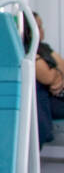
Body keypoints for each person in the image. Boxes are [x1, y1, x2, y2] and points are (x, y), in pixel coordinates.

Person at [26, 11, 64, 146]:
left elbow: (61, 65)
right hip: (51, 99)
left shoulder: (44, 47)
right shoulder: (27, 51)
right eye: (38, 27)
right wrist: (57, 74)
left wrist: (58, 75)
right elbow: (48, 78)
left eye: (42, 26)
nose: (42, 31)